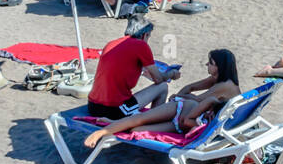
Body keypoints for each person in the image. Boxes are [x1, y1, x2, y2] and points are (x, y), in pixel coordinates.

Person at [84, 46, 240, 148]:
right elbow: (189, 89)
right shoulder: (217, 80)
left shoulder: (224, 86)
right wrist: (185, 96)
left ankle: (116, 123)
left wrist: (185, 96)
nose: (207, 65)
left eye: (210, 63)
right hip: (181, 110)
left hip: (182, 120)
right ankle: (102, 132)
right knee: (139, 119)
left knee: (137, 129)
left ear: (220, 66)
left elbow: (198, 100)